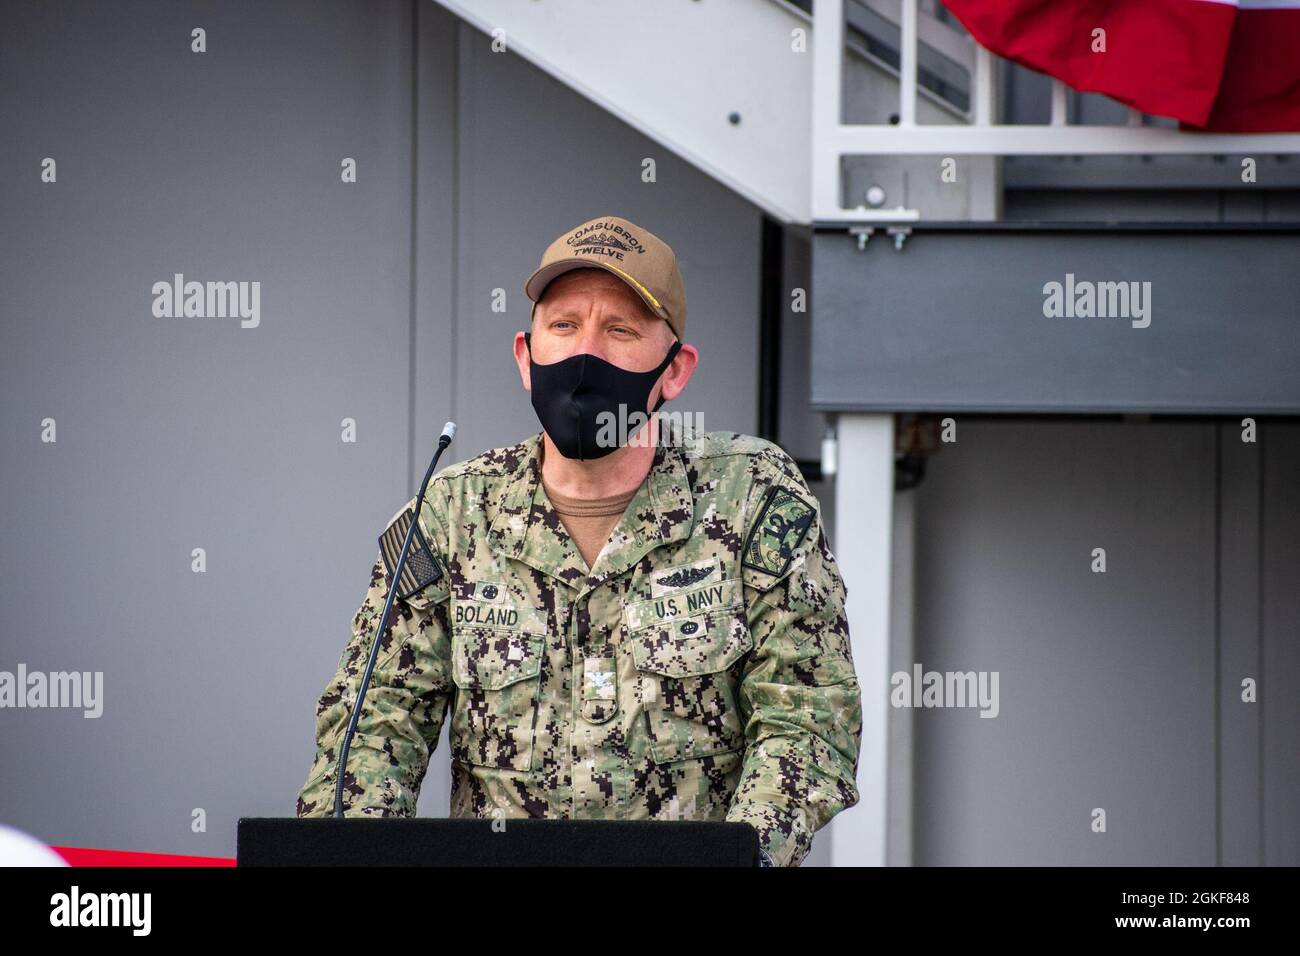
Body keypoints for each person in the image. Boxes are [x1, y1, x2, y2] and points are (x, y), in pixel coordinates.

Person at [295, 214, 863, 867]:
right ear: (525, 355)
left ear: (675, 371)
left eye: (620, 330)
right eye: (563, 325)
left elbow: (808, 715)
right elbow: (372, 725)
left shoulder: (751, 500)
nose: (584, 353)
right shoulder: (451, 513)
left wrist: (742, 861)